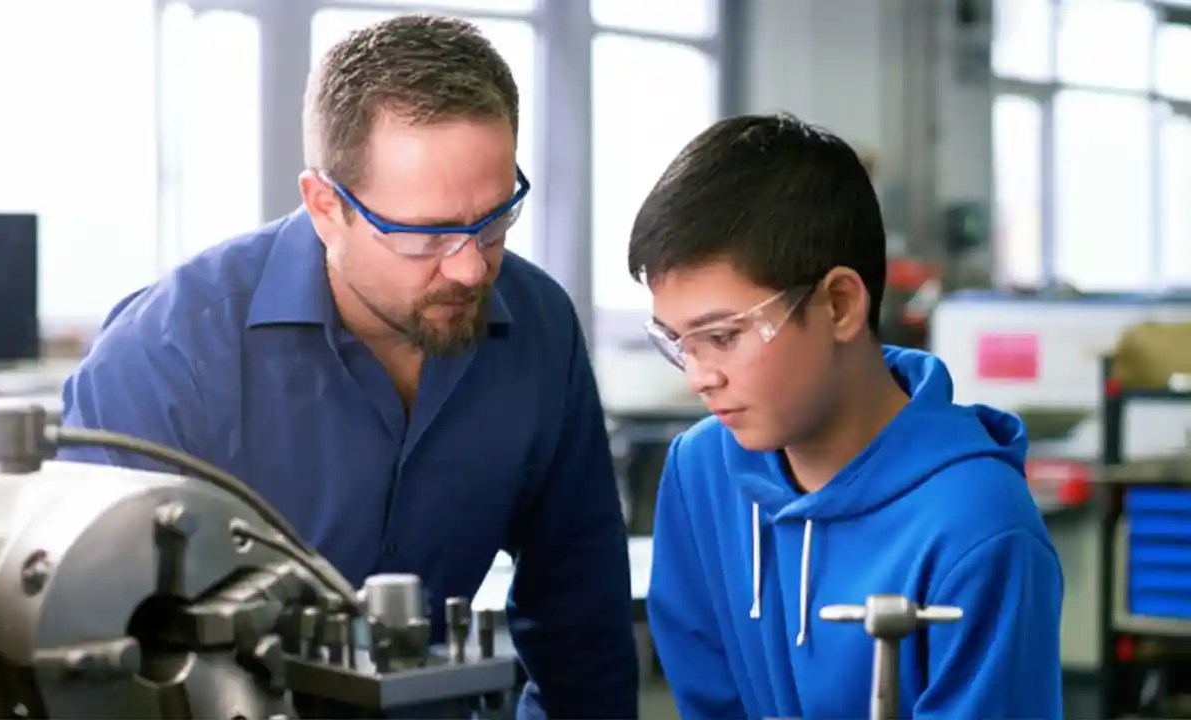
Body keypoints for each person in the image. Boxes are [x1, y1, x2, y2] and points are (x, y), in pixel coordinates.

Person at [58, 14, 637, 719]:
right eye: (425, 235)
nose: (469, 267)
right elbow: (78, 656)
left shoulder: (540, 328)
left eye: (492, 221)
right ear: (326, 207)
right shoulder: (168, 359)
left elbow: (579, 620)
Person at [630, 113, 1064, 719]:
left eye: (724, 336)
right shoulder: (702, 471)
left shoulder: (978, 526)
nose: (699, 375)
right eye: (678, 342)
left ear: (839, 305)